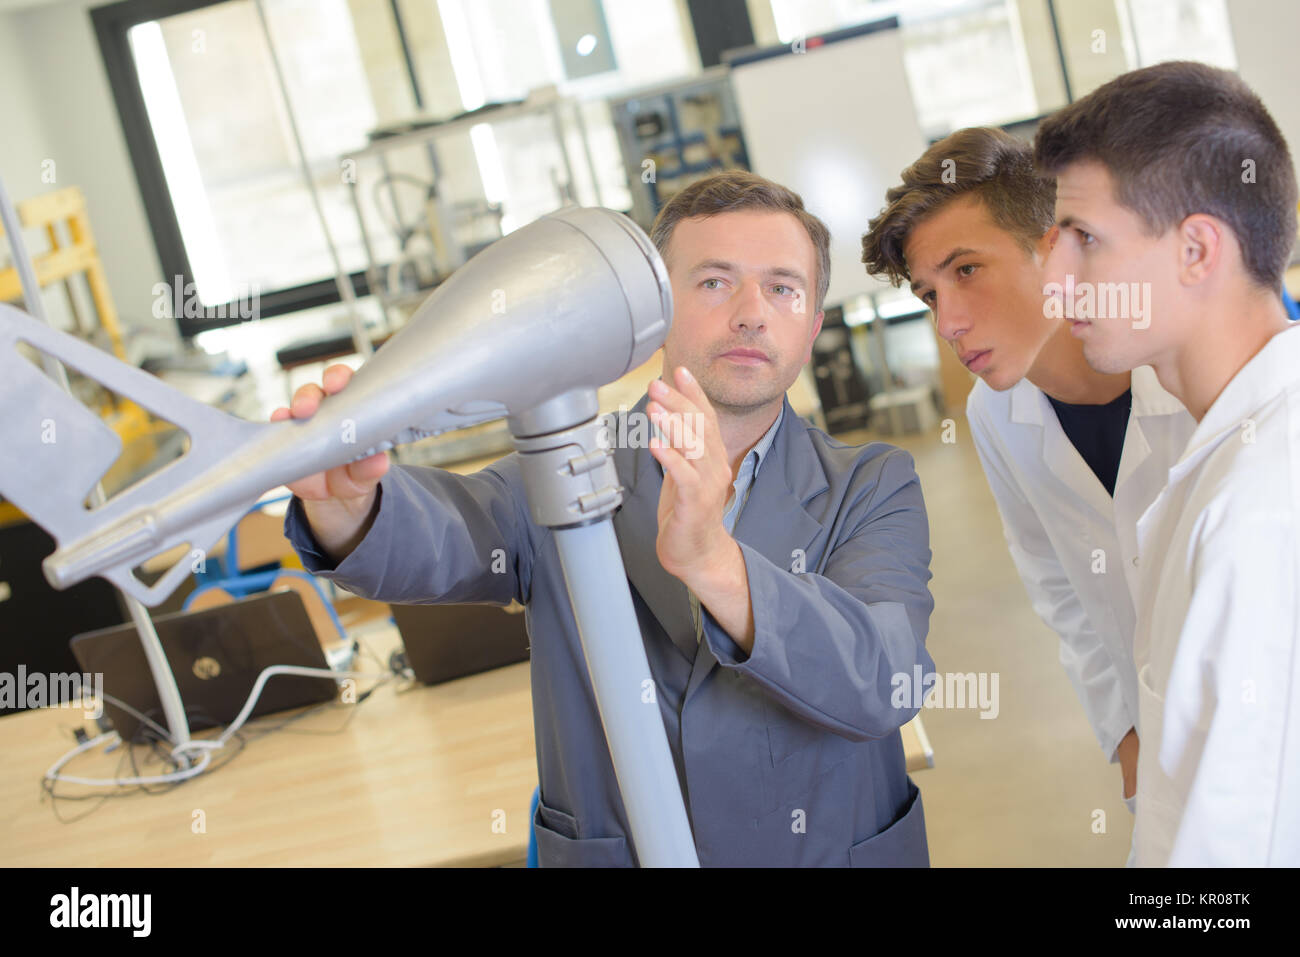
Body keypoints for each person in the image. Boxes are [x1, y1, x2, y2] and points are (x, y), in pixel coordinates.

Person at [276, 170, 937, 867]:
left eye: (782, 288)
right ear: (653, 313)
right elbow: (446, 533)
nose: (751, 312)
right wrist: (349, 503)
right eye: (714, 281)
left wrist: (714, 560)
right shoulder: (573, 459)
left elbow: (883, 677)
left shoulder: (872, 484)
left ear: (810, 328)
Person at [861, 127, 1195, 848]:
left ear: (1054, 248)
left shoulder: (1201, 373)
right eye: (928, 293)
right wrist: (1127, 743)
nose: (947, 322)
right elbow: (1061, 588)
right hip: (1165, 760)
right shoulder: (995, 412)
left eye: (968, 270)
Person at [1035, 60, 1300, 865]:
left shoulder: (1255, 509)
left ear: (1195, 249)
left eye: (1084, 238)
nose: (1054, 278)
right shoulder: (1236, 453)